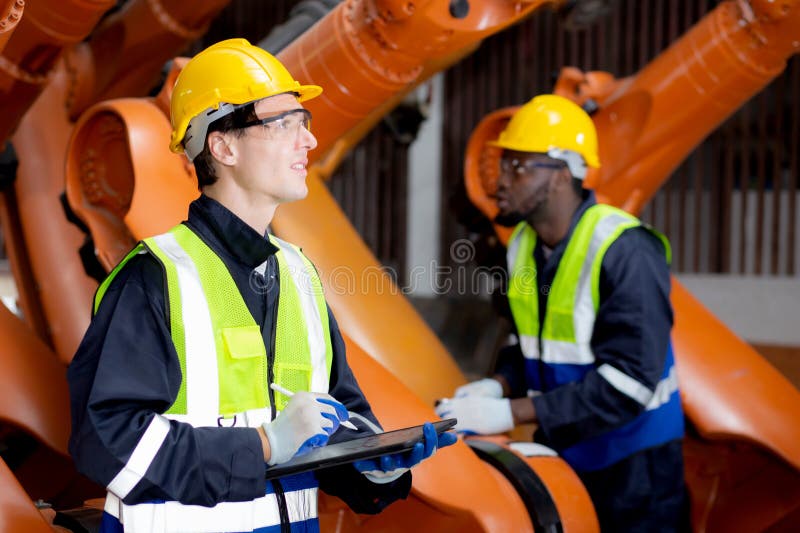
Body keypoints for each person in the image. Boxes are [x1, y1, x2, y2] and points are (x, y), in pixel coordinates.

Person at [68, 38, 455, 533]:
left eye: (304, 122)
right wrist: (265, 445)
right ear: (222, 145)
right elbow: (108, 441)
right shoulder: (155, 278)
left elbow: (339, 417)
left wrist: (376, 465)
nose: (309, 141)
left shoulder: (297, 274)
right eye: (284, 123)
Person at [435, 94, 688, 531]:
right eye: (503, 164)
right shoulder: (522, 247)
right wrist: (495, 387)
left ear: (561, 174)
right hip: (566, 453)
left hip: (637, 469)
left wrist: (509, 414)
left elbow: (630, 384)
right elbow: (528, 344)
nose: (499, 180)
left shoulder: (624, 249)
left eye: (518, 165)